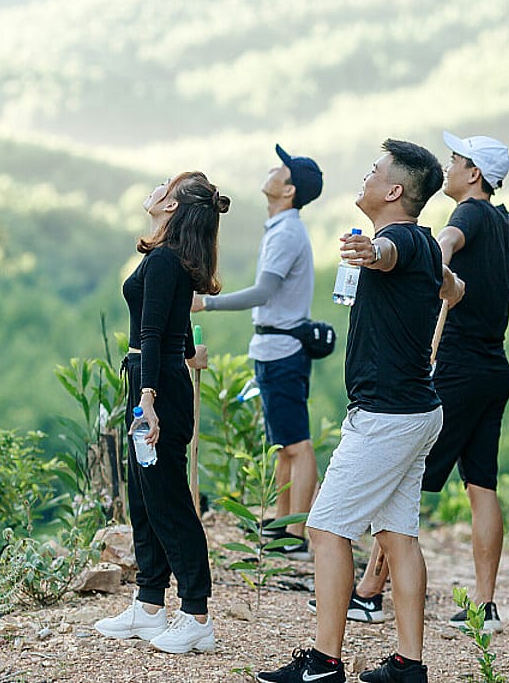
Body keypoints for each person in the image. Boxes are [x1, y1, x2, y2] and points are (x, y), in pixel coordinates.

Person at [346, 131, 509, 633]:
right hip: (493, 369)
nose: (449, 168)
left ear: (475, 175)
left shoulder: (471, 213)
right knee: (482, 484)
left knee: (404, 475)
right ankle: (485, 606)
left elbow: (445, 242)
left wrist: (417, 264)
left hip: (455, 367)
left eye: (457, 161)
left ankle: (369, 594)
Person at [258, 140, 456, 683]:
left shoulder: (396, 239)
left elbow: (387, 254)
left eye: (375, 171)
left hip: (387, 417)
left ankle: (324, 663)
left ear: (394, 191)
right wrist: (452, 285)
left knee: (325, 530)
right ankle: (409, 666)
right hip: (418, 411)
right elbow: (448, 282)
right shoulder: (425, 244)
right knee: (397, 536)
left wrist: (372, 254)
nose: (366, 177)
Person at [94, 171, 231, 654]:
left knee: (170, 502)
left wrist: (148, 401)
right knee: (145, 499)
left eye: (164, 188)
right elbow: (173, 328)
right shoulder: (168, 261)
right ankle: (149, 604)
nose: (155, 190)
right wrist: (190, 351)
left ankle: (197, 614)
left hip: (155, 388)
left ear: (171, 208)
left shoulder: (164, 263)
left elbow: (152, 334)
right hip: (155, 379)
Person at [192, 144, 323, 559]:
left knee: (297, 444)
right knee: (283, 443)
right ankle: (283, 525)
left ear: (288, 190)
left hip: (283, 347)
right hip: (272, 346)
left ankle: (297, 533)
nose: (271, 170)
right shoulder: (280, 228)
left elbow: (264, 291)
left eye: (279, 169)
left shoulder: (286, 232)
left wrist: (207, 302)